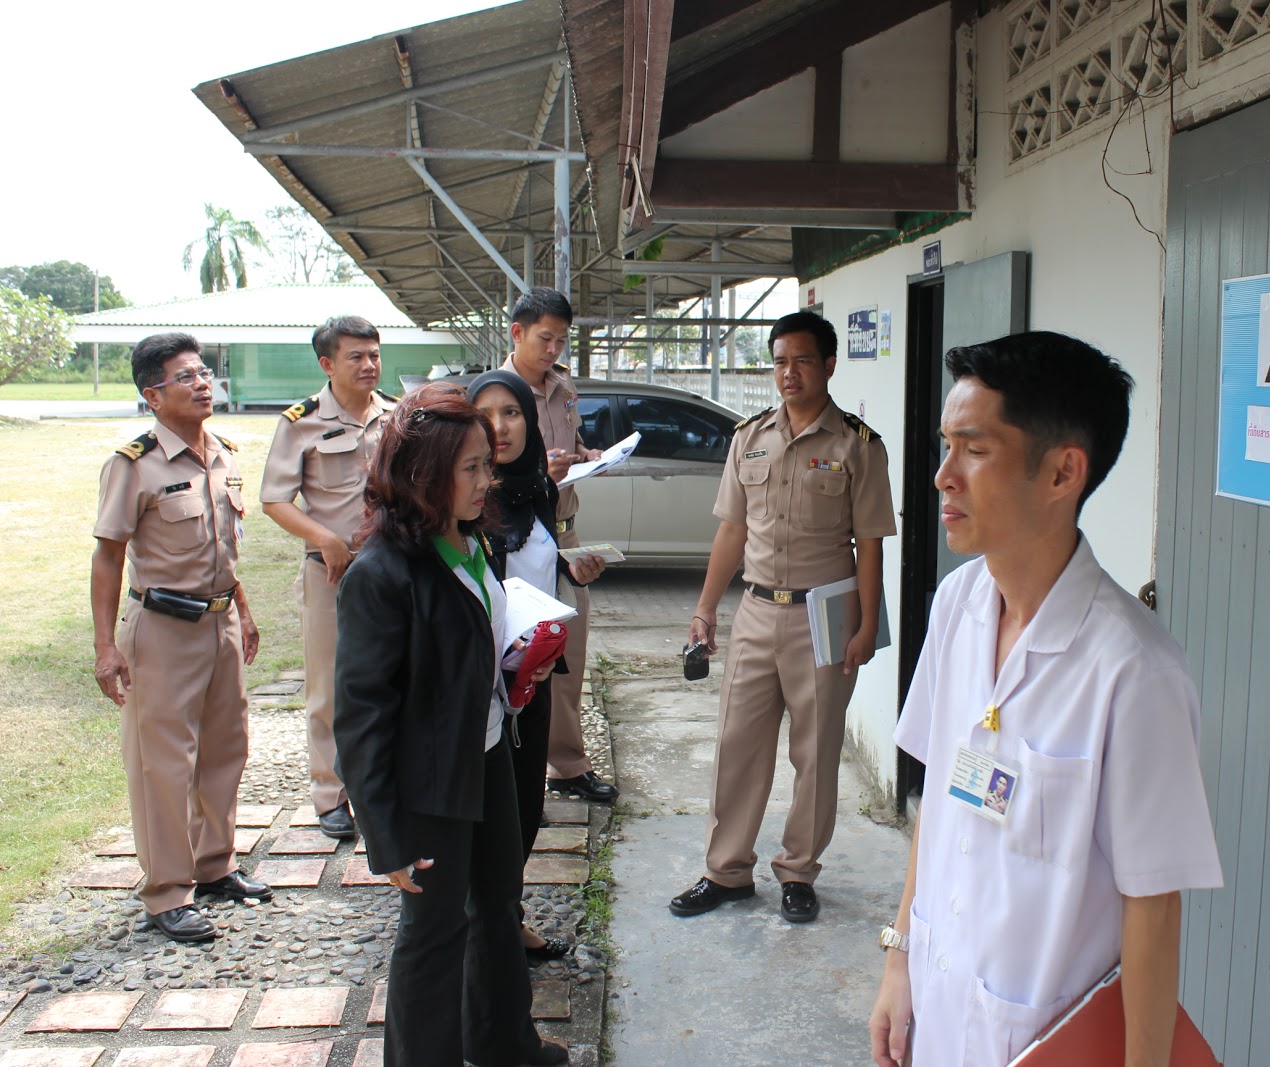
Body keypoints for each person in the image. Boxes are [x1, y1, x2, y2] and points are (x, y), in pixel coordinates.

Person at [868, 332, 1224, 1067]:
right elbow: (940, 790)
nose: (942, 476)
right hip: (937, 1015)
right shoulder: (958, 605)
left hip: (1037, 1042)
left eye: (974, 448)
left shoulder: (1134, 670)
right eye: (945, 445)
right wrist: (899, 958)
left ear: (1063, 471)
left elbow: (1153, 906)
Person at [334, 384, 567, 1067]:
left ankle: (502, 1044)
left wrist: (520, 658)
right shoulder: (381, 574)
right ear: (420, 473)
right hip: (428, 781)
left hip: (486, 752)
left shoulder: (470, 541)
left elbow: (468, 648)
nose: (484, 480)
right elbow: (362, 714)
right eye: (469, 467)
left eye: (484, 466)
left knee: (496, 904)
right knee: (432, 933)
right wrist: (385, 834)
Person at [669, 310, 897, 924]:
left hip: (822, 619)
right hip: (755, 611)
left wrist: (867, 626)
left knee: (816, 752)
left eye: (800, 360)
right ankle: (727, 871)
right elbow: (732, 529)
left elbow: (870, 543)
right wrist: (706, 608)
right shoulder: (749, 437)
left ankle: (799, 871)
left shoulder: (858, 445)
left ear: (828, 365)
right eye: (778, 361)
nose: (787, 373)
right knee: (737, 745)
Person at [90, 332, 271, 943]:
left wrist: (242, 611)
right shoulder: (133, 463)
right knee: (164, 765)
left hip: (218, 623)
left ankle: (214, 864)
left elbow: (226, 549)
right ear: (152, 394)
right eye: (185, 376)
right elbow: (108, 555)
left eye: (204, 372)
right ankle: (166, 891)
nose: (202, 383)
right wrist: (104, 646)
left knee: (226, 747)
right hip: (162, 629)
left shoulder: (221, 451)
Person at [467, 370, 606, 961]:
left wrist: (572, 569)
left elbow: (536, 563)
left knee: (525, 808)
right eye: (487, 414)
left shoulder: (539, 491)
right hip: (480, 686)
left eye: (512, 413)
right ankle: (479, 931)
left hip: (535, 674)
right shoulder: (464, 497)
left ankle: (508, 916)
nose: (500, 428)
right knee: (483, 817)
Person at [260, 315, 395, 840]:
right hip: (332, 575)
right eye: (356, 356)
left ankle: (379, 784)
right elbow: (274, 499)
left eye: (374, 354)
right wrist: (324, 538)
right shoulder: (303, 422)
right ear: (327, 364)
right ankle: (330, 796)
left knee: (390, 680)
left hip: (390, 571)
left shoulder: (396, 415)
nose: (369, 365)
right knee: (331, 688)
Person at [500, 287, 618, 804]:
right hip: (513, 540)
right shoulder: (491, 395)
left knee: (567, 656)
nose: (553, 350)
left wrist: (586, 457)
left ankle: (566, 767)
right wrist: (537, 477)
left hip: (563, 536)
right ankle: (509, 772)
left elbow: (567, 449)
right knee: (513, 659)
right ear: (517, 333)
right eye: (545, 339)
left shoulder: (563, 389)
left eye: (561, 340)